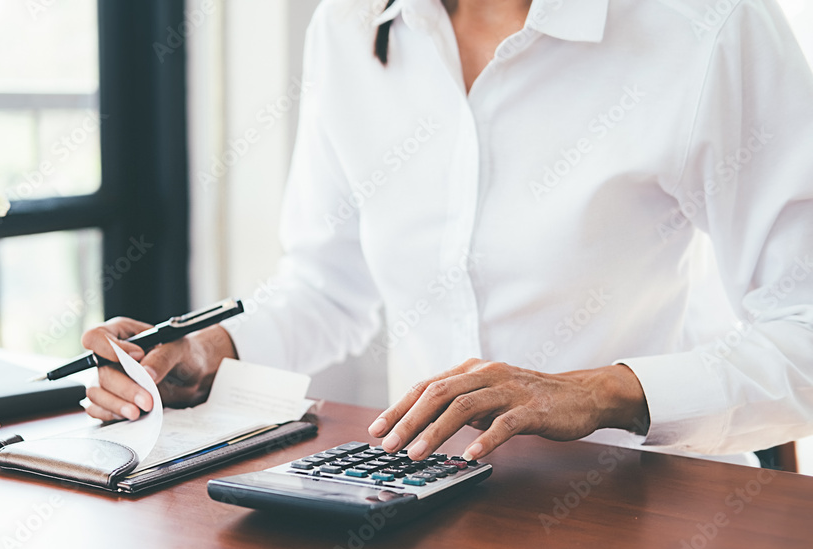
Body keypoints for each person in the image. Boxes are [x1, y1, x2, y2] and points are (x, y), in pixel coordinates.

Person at [82, 0, 813, 464]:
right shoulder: (349, 25)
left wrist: (597, 393)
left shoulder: (708, 28)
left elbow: (805, 332)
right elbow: (327, 288)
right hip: (424, 498)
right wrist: (211, 351)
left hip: (644, 504)